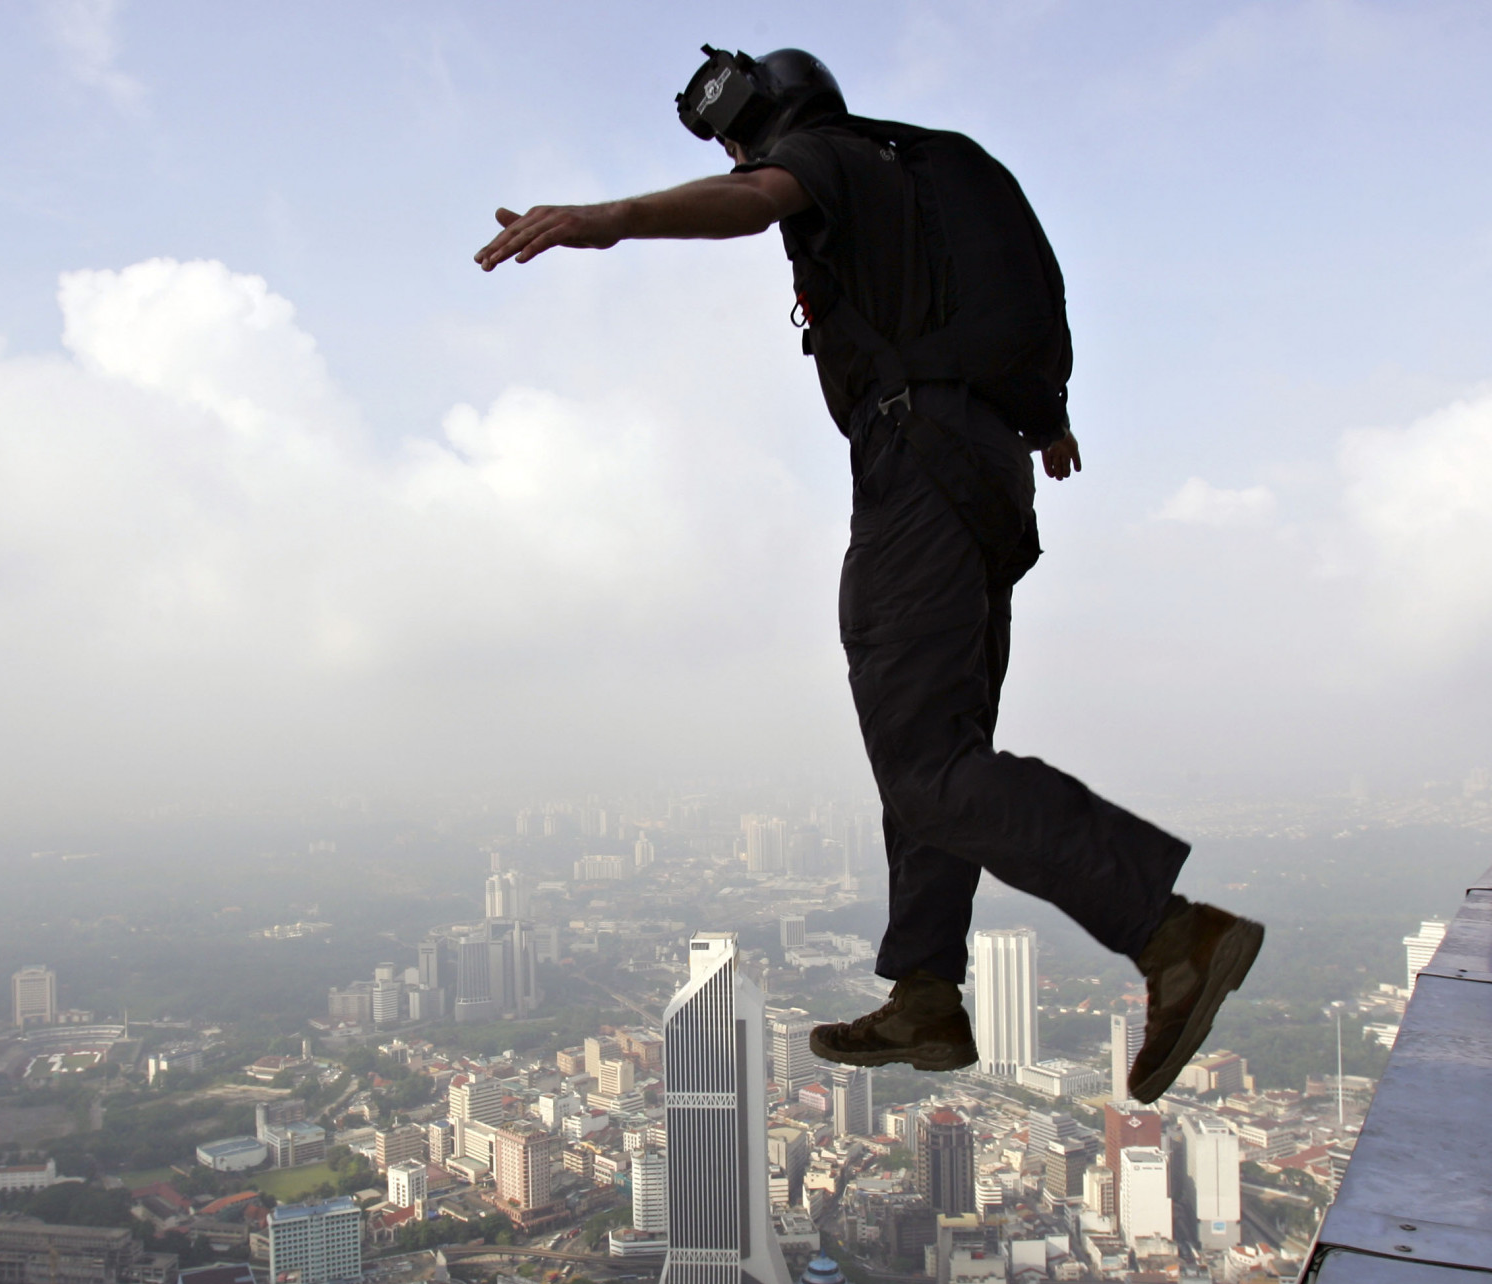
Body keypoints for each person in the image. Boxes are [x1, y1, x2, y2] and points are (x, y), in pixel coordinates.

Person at [474, 47, 1263, 1104]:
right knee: (931, 745)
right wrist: (1045, 420)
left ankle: (1173, 933)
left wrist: (602, 218)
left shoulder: (823, 158)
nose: (741, 155)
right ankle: (926, 995)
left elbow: (755, 199)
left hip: (916, 469)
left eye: (732, 138)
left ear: (757, 122)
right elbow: (1037, 292)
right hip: (989, 473)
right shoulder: (954, 166)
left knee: (924, 766)